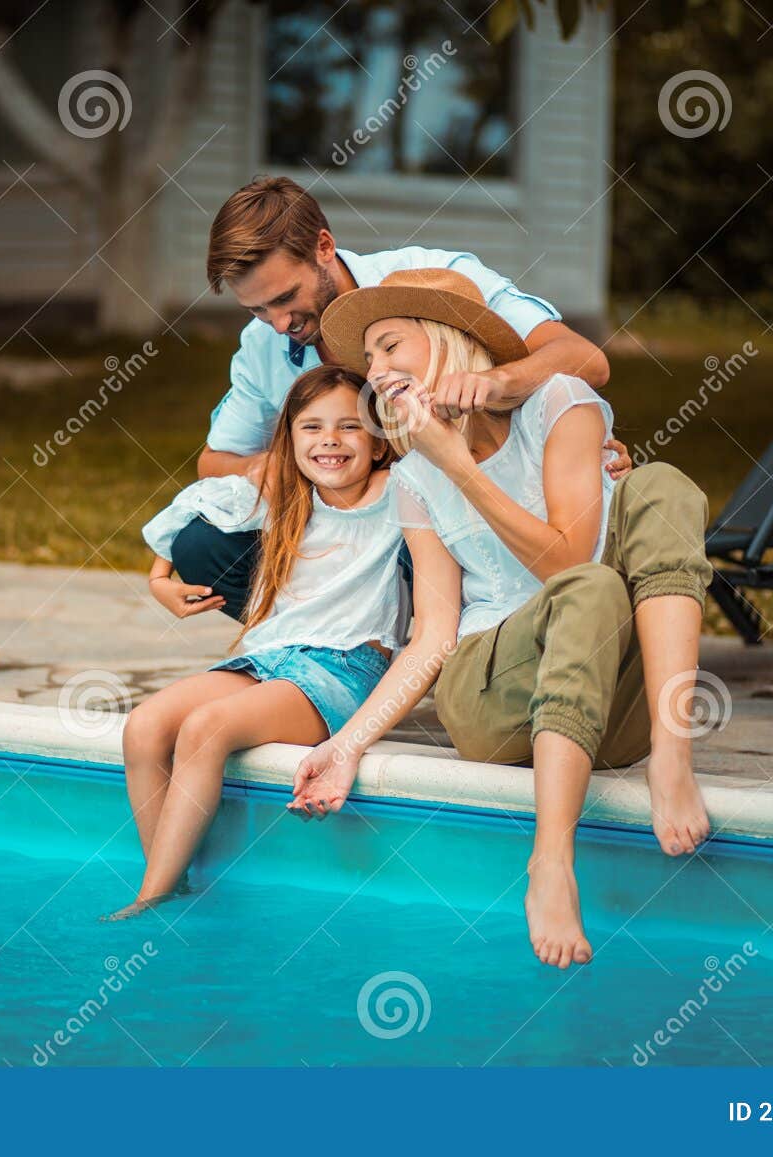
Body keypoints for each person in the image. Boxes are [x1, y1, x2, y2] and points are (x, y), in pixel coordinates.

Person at [288, 267, 715, 970]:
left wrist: (461, 463)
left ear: (451, 340)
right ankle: (550, 863)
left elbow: (568, 558)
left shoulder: (560, 405)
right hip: (493, 694)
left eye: (391, 345)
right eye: (369, 359)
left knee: (661, 486)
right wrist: (348, 743)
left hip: (611, 709)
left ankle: (673, 755)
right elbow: (434, 632)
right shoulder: (418, 473)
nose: (377, 369)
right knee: (593, 591)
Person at [165, 176, 628, 621]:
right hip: (360, 523)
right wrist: (272, 465)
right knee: (202, 546)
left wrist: (496, 382)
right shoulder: (261, 344)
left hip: (461, 502)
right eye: (258, 309)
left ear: (323, 247)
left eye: (286, 297)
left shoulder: (436, 280)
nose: (279, 323)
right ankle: (338, 647)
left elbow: (585, 359)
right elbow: (214, 460)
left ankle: (437, 631)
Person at [108, 364, 461, 920]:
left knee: (206, 728)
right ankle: (171, 885)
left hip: (345, 667)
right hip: (269, 658)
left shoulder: (403, 491)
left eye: (350, 427)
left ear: (379, 440)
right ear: (290, 440)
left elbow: (463, 460)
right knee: (145, 726)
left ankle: (150, 901)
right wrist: (158, 579)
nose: (330, 441)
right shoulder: (291, 494)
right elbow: (197, 502)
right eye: (312, 427)